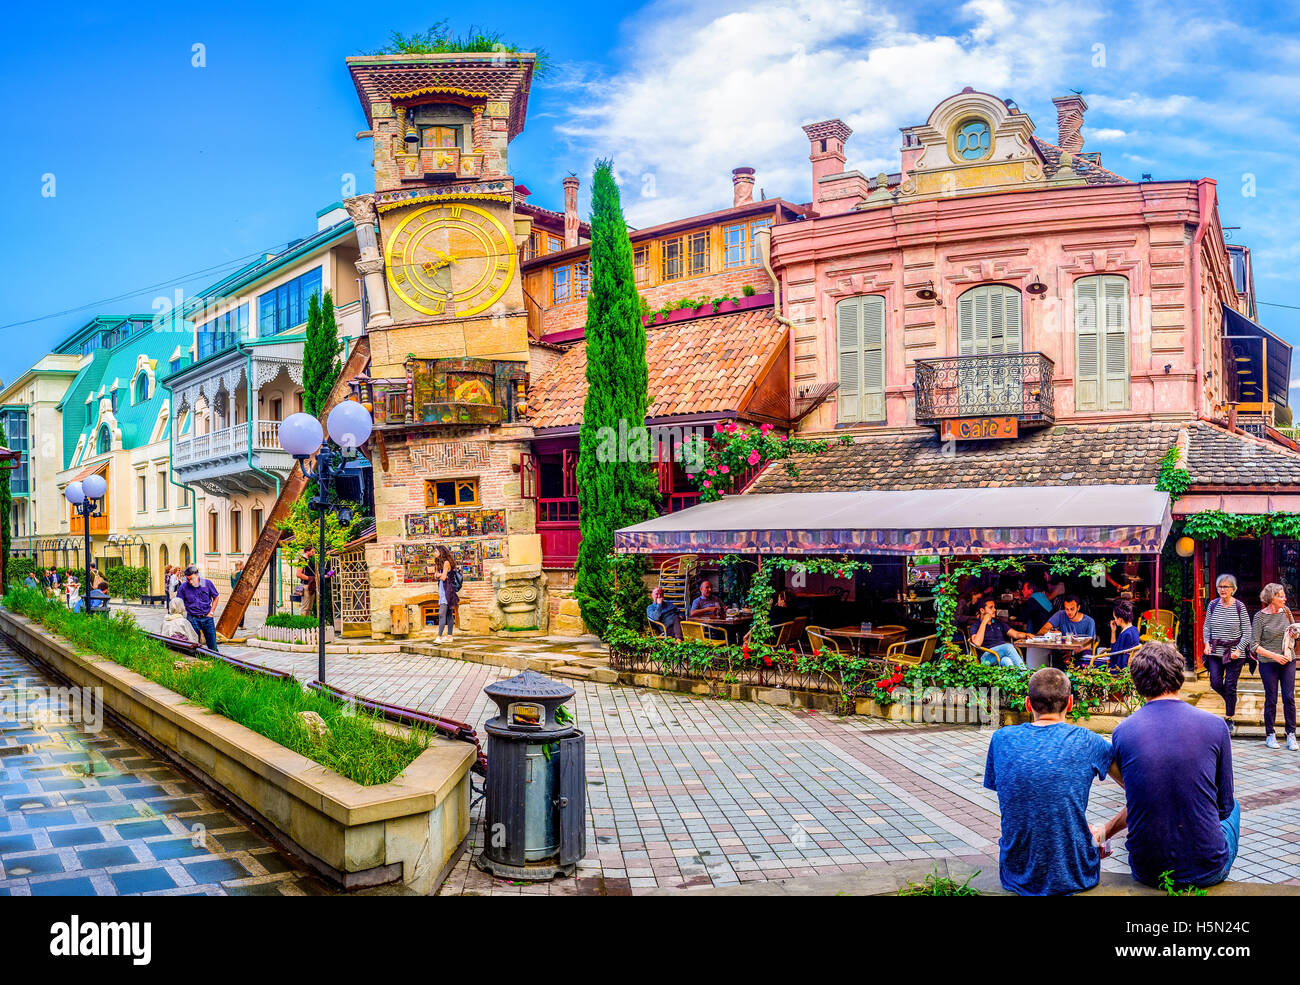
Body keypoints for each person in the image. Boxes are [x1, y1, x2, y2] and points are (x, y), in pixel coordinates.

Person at [1101, 641, 1238, 890]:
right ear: (1179, 676)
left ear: (1138, 683)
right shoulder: (1216, 726)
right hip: (1208, 868)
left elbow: (1142, 797)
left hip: (1146, 869)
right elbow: (1224, 807)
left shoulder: (1123, 732)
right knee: (1235, 807)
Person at [983, 668, 1115, 895]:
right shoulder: (1089, 741)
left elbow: (1023, 799)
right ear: (1071, 703)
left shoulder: (1001, 740)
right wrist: (1104, 831)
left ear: (1027, 704)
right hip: (1076, 873)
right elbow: (1137, 790)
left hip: (1017, 873)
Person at [1203, 573, 1252, 736]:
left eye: (1226, 587)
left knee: (1230, 685)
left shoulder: (1240, 606)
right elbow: (1206, 628)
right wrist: (1206, 644)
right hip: (1216, 652)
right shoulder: (1212, 605)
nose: (1222, 590)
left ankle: (1229, 717)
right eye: (1220, 587)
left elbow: (1247, 632)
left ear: (1233, 589)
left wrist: (1239, 649)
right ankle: (1231, 699)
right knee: (1215, 683)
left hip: (1235, 653)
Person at [1250, 582, 1297, 750]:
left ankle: (1291, 734)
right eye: (1281, 596)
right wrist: (1275, 656)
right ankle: (1270, 734)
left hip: (1287, 660)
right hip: (1269, 663)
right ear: (1272, 598)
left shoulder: (1286, 611)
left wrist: (1294, 633)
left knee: (1289, 697)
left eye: (1284, 595)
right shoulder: (1259, 617)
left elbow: (1294, 633)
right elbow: (1254, 645)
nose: (1285, 598)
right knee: (1271, 698)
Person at [968, 597, 1030, 668]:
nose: (994, 610)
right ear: (982, 610)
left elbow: (1015, 634)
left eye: (994, 607)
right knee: (1008, 647)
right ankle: (1025, 674)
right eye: (991, 608)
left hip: (1000, 654)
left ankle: (1017, 678)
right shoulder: (975, 625)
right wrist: (984, 622)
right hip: (986, 658)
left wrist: (1026, 634)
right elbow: (977, 643)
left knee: (1007, 661)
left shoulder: (998, 622)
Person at [176, 565, 221, 652]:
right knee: (193, 645)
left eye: (192, 578)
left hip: (207, 617)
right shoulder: (183, 587)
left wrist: (211, 612)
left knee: (213, 645)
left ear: (197, 575)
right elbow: (178, 602)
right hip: (192, 618)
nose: (190, 582)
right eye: (187, 579)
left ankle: (215, 661)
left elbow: (216, 597)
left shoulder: (207, 583)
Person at [1105, 600, 1141, 669]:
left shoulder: (1125, 634)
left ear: (1120, 619)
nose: (1114, 620)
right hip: (1131, 667)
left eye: (1115, 618)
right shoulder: (1135, 629)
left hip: (1119, 669)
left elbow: (1114, 655)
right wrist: (1113, 631)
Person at [433, 545, 457, 641]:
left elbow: (442, 577)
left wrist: (439, 575)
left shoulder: (446, 563)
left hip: (447, 591)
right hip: (442, 590)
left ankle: (438, 637)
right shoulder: (438, 563)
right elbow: (436, 576)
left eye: (436, 551)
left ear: (441, 552)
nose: (434, 553)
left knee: (441, 613)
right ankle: (449, 636)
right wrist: (440, 575)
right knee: (448, 614)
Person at [298, 550, 317, 618]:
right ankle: (302, 624)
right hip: (306, 585)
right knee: (305, 607)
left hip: (311, 585)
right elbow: (298, 574)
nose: (313, 553)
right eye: (312, 551)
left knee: (309, 608)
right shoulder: (302, 560)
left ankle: (308, 624)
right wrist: (310, 578)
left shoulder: (309, 560)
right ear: (307, 551)